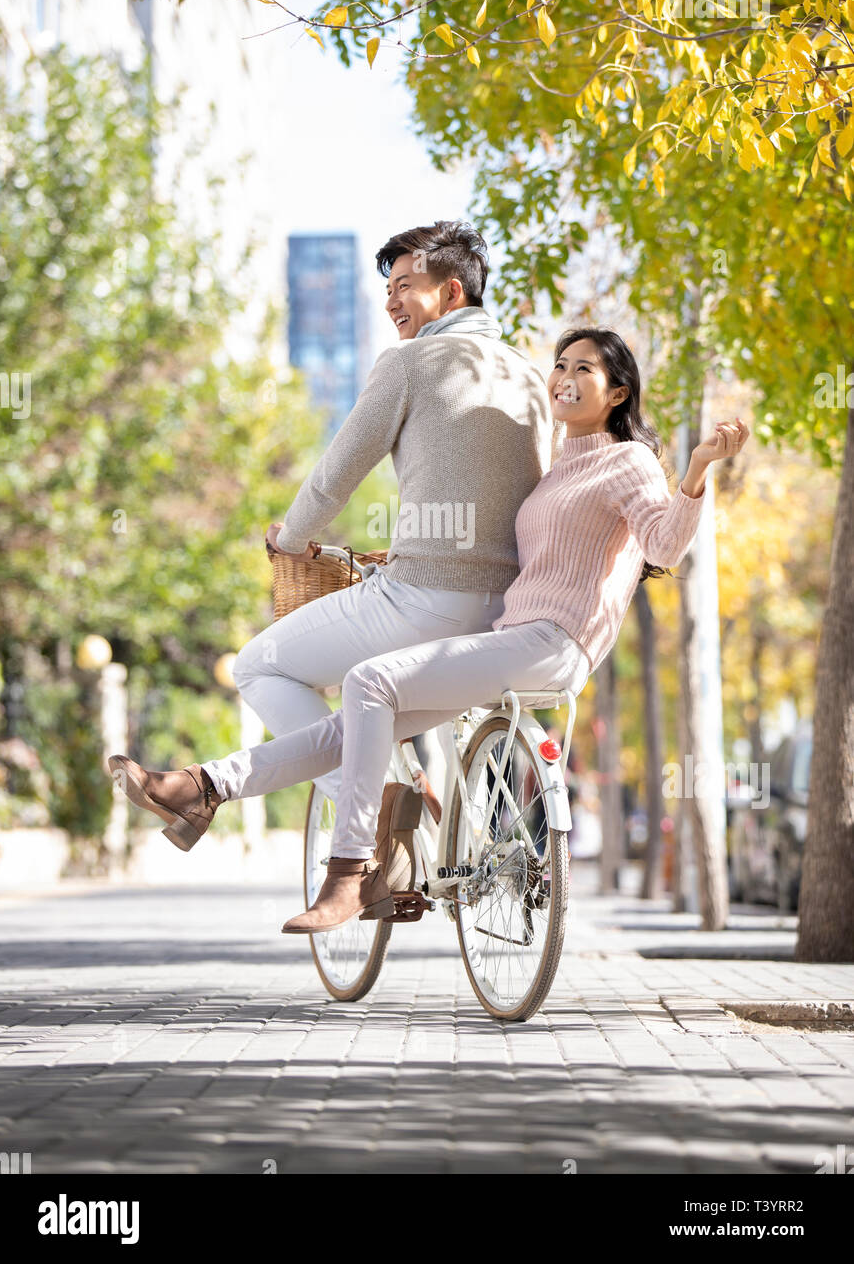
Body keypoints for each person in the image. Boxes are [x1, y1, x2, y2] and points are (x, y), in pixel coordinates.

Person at [110, 327, 749, 933]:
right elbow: (536, 554)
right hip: (515, 638)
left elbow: (664, 541)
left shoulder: (629, 461)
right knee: (350, 727)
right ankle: (201, 787)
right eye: (559, 364)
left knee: (368, 681)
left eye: (584, 368)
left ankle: (352, 869)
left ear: (617, 393)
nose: (563, 377)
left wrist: (695, 473)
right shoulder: (556, 467)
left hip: (552, 643)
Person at [108, 219, 551, 847]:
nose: (391, 300)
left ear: (453, 293)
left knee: (259, 665)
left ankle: (373, 811)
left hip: (426, 600)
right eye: (387, 288)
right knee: (362, 715)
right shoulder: (533, 377)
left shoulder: (410, 362)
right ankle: (218, 793)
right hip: (510, 617)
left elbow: (335, 475)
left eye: (405, 285)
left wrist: (289, 539)